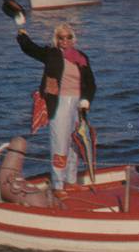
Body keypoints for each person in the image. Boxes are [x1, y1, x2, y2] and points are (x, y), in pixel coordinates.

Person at [17, 23, 96, 195]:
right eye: (61, 37)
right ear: (56, 39)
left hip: (78, 104)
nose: (65, 40)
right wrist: (22, 34)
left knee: (76, 142)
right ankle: (58, 184)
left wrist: (86, 100)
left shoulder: (82, 57)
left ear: (73, 39)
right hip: (58, 102)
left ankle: (71, 180)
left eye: (68, 37)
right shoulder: (51, 54)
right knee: (59, 142)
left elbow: (91, 83)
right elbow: (30, 49)